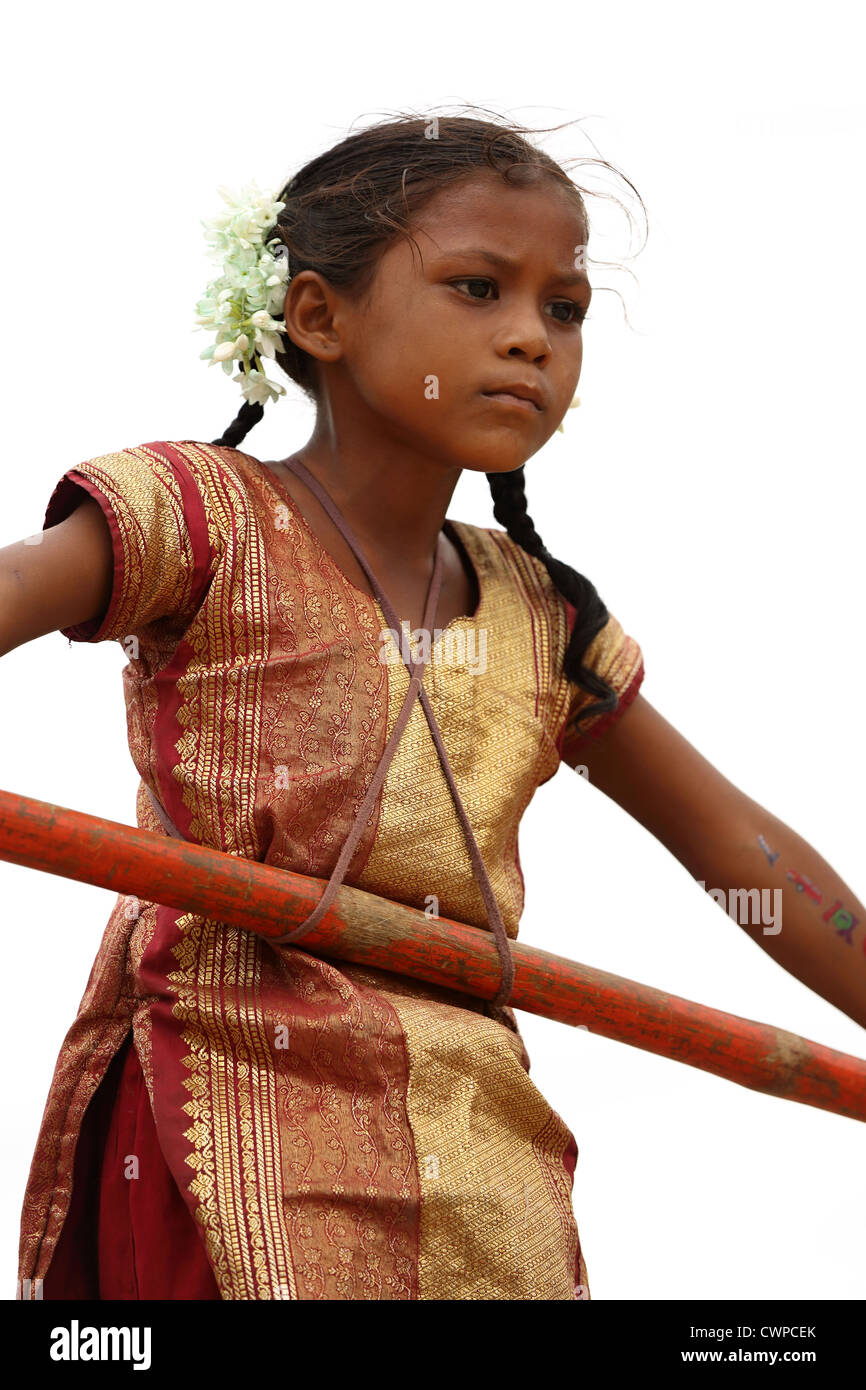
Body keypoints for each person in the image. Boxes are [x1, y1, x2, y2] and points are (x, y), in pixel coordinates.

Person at [6, 111, 865, 1302]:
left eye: (561, 309)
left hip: (474, 1140)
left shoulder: (540, 616)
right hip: (222, 1110)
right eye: (478, 288)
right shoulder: (200, 515)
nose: (529, 338)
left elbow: (738, 850)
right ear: (318, 317)